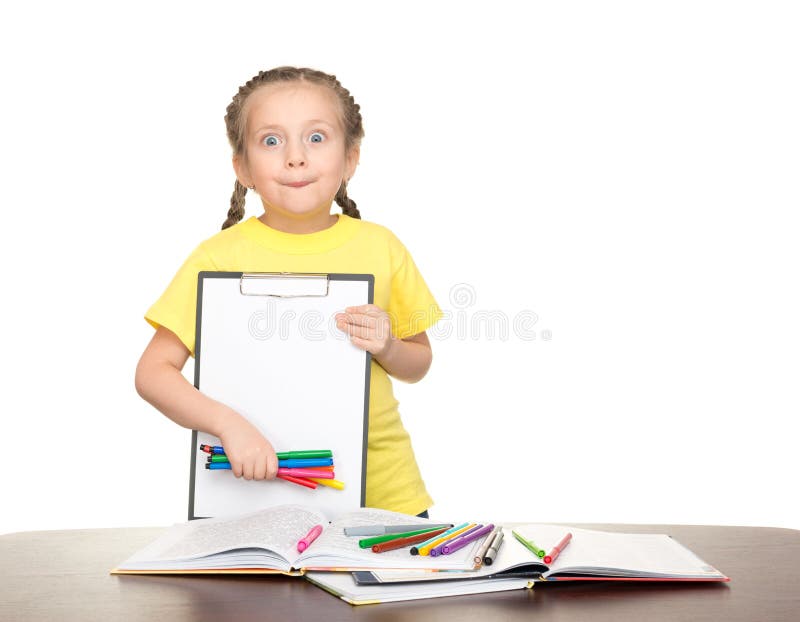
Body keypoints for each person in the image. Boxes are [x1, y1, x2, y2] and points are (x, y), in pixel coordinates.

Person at [135, 66, 443, 517]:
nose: (295, 157)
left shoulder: (382, 247)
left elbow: (419, 363)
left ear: (351, 158)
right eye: (271, 140)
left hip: (384, 498)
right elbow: (153, 372)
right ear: (242, 167)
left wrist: (389, 346)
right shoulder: (217, 257)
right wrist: (227, 425)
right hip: (250, 499)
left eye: (316, 138)